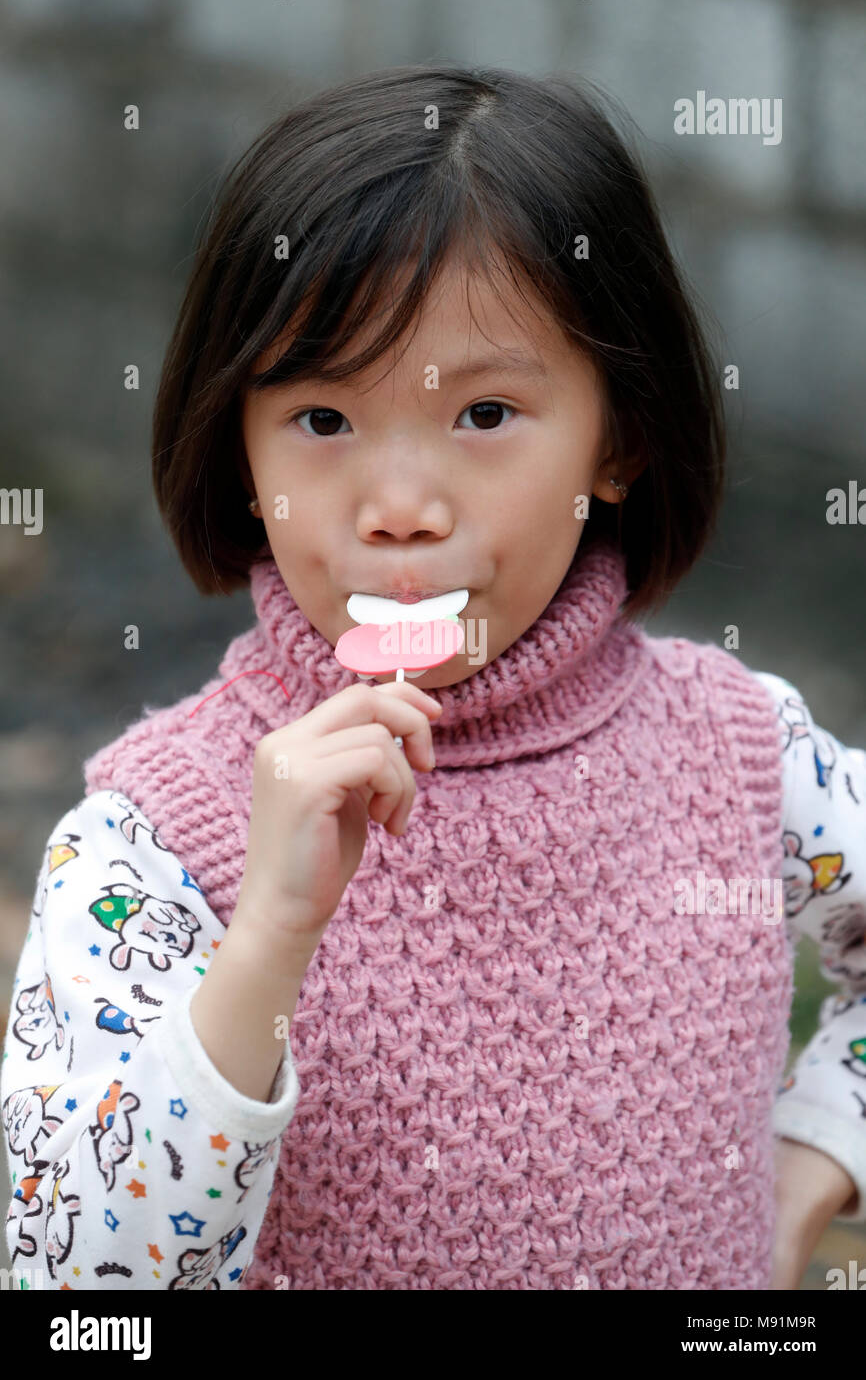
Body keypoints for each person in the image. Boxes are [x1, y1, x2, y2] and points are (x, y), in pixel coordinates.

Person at [3, 63, 864, 1292]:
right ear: (237, 449)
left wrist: (811, 1156)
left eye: (483, 414)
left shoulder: (744, 752)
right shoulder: (149, 843)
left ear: (617, 437)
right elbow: (75, 1285)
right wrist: (267, 942)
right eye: (321, 420)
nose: (399, 508)